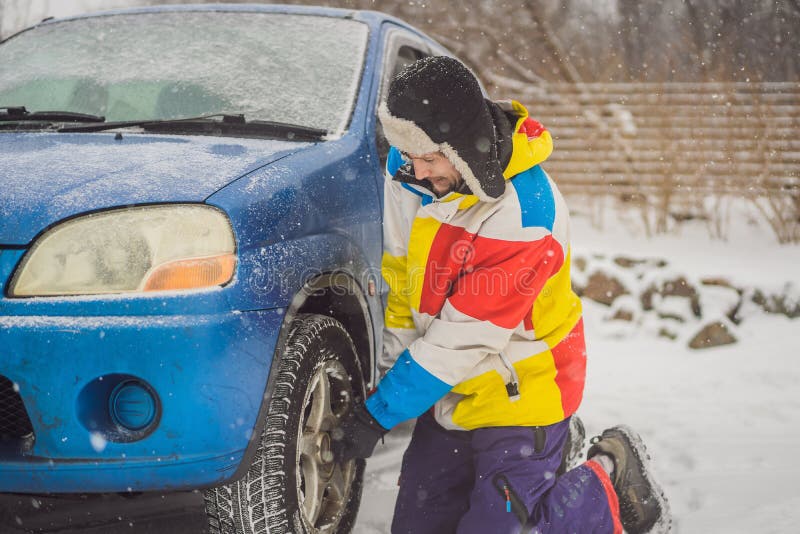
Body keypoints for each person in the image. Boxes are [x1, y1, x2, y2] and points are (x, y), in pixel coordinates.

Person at [333, 56, 670, 534]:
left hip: (524, 386)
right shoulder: (410, 170)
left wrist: (381, 412)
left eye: (430, 159)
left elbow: (463, 339)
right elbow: (400, 279)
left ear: (463, 143)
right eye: (409, 157)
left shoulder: (526, 216)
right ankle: (540, 468)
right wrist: (387, 377)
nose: (417, 171)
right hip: (448, 388)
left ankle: (606, 484)